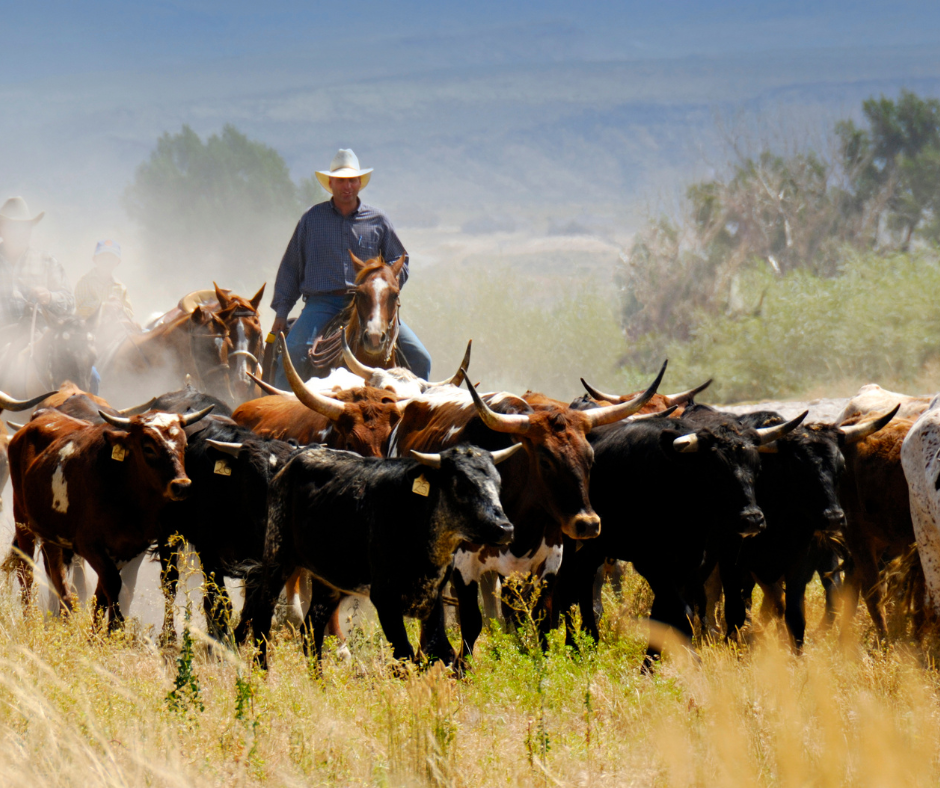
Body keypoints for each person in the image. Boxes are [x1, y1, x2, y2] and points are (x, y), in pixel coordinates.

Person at [271, 149, 431, 387]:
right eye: (341, 181)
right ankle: (279, 407)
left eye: (352, 180)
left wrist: (385, 289)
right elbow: (291, 266)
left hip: (369, 303)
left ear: (359, 183)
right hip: (322, 303)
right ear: (331, 183)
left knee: (420, 358)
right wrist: (282, 313)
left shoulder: (378, 221)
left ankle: (416, 409)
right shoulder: (311, 220)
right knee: (292, 354)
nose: (347, 186)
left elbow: (400, 259)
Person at [0, 196, 74, 330]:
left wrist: (50, 297)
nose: (19, 232)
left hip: (38, 337)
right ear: (1, 229)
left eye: (24, 227)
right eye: (12, 227)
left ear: (30, 230)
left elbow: (70, 303)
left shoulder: (47, 261)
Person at [74, 239, 134, 321]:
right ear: (94, 259)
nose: (107, 261)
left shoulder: (121, 288)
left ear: (118, 262)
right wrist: (104, 306)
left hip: (112, 326)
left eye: (111, 258)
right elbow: (80, 308)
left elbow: (130, 313)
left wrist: (120, 307)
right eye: (103, 257)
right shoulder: (84, 282)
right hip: (86, 325)